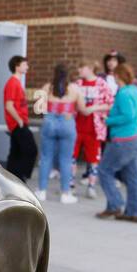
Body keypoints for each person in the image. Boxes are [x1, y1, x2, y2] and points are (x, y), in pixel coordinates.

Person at [96, 62, 137, 222]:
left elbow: (128, 115)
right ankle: (133, 212)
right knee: (132, 177)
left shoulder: (123, 93)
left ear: (118, 76)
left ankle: (115, 205)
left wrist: (108, 120)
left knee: (104, 170)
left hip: (125, 139)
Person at [34, 64, 86, 203]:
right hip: (67, 123)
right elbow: (83, 109)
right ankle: (65, 193)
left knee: (46, 158)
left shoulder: (47, 87)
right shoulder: (75, 89)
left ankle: (42, 192)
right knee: (66, 160)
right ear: (68, 74)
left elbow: (38, 109)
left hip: (49, 123)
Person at [73, 61, 109, 199]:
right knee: (72, 157)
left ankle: (91, 186)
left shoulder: (102, 84)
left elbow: (109, 103)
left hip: (94, 128)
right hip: (76, 126)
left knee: (93, 159)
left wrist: (93, 108)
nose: (79, 69)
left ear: (89, 68)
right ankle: (70, 185)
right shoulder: (77, 84)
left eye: (81, 67)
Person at [3, 55, 36, 181]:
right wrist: (20, 121)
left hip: (18, 124)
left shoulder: (16, 83)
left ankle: (13, 179)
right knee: (30, 149)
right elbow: (9, 105)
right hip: (18, 124)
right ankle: (21, 177)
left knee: (16, 152)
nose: (27, 67)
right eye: (24, 64)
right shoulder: (13, 83)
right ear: (17, 66)